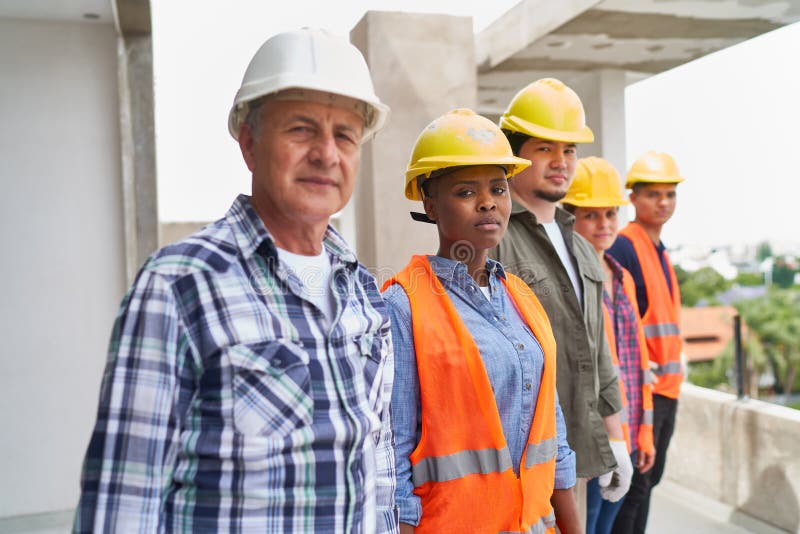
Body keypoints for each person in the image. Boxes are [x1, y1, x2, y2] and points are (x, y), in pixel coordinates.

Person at [74, 29, 399, 533]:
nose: (326, 154)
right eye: (301, 130)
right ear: (249, 144)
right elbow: (123, 502)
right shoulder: (179, 286)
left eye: (345, 136)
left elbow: (377, 473)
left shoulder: (363, 295)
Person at [383, 109, 579, 533]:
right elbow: (393, 454)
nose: (488, 202)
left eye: (498, 188)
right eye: (466, 191)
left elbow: (554, 436)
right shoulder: (404, 305)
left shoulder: (522, 298)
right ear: (430, 205)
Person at [490, 78, 632, 523]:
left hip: (581, 455)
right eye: (544, 148)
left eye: (569, 150)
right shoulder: (493, 240)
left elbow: (598, 352)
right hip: (521, 463)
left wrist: (616, 438)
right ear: (515, 154)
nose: (561, 161)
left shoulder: (583, 249)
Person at [561, 157, 656, 534]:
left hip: (626, 430)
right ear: (570, 219)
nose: (604, 224)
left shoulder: (623, 278)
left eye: (611, 214)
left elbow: (638, 365)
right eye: (591, 215)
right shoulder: (568, 282)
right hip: (591, 438)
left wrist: (643, 431)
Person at [607, 151, 684, 534]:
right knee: (633, 489)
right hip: (643, 392)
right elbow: (618, 327)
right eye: (653, 194)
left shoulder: (660, 251)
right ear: (633, 198)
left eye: (670, 194)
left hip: (667, 390)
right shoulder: (625, 247)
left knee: (647, 484)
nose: (663, 202)